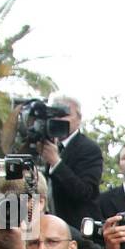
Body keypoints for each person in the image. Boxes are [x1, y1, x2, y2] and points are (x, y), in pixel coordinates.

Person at [41, 94, 103, 230]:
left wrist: (56, 162)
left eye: (64, 115)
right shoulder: (45, 144)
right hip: (47, 228)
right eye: (54, 115)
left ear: (79, 119)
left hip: (78, 231)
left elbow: (85, 192)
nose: (58, 120)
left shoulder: (88, 148)